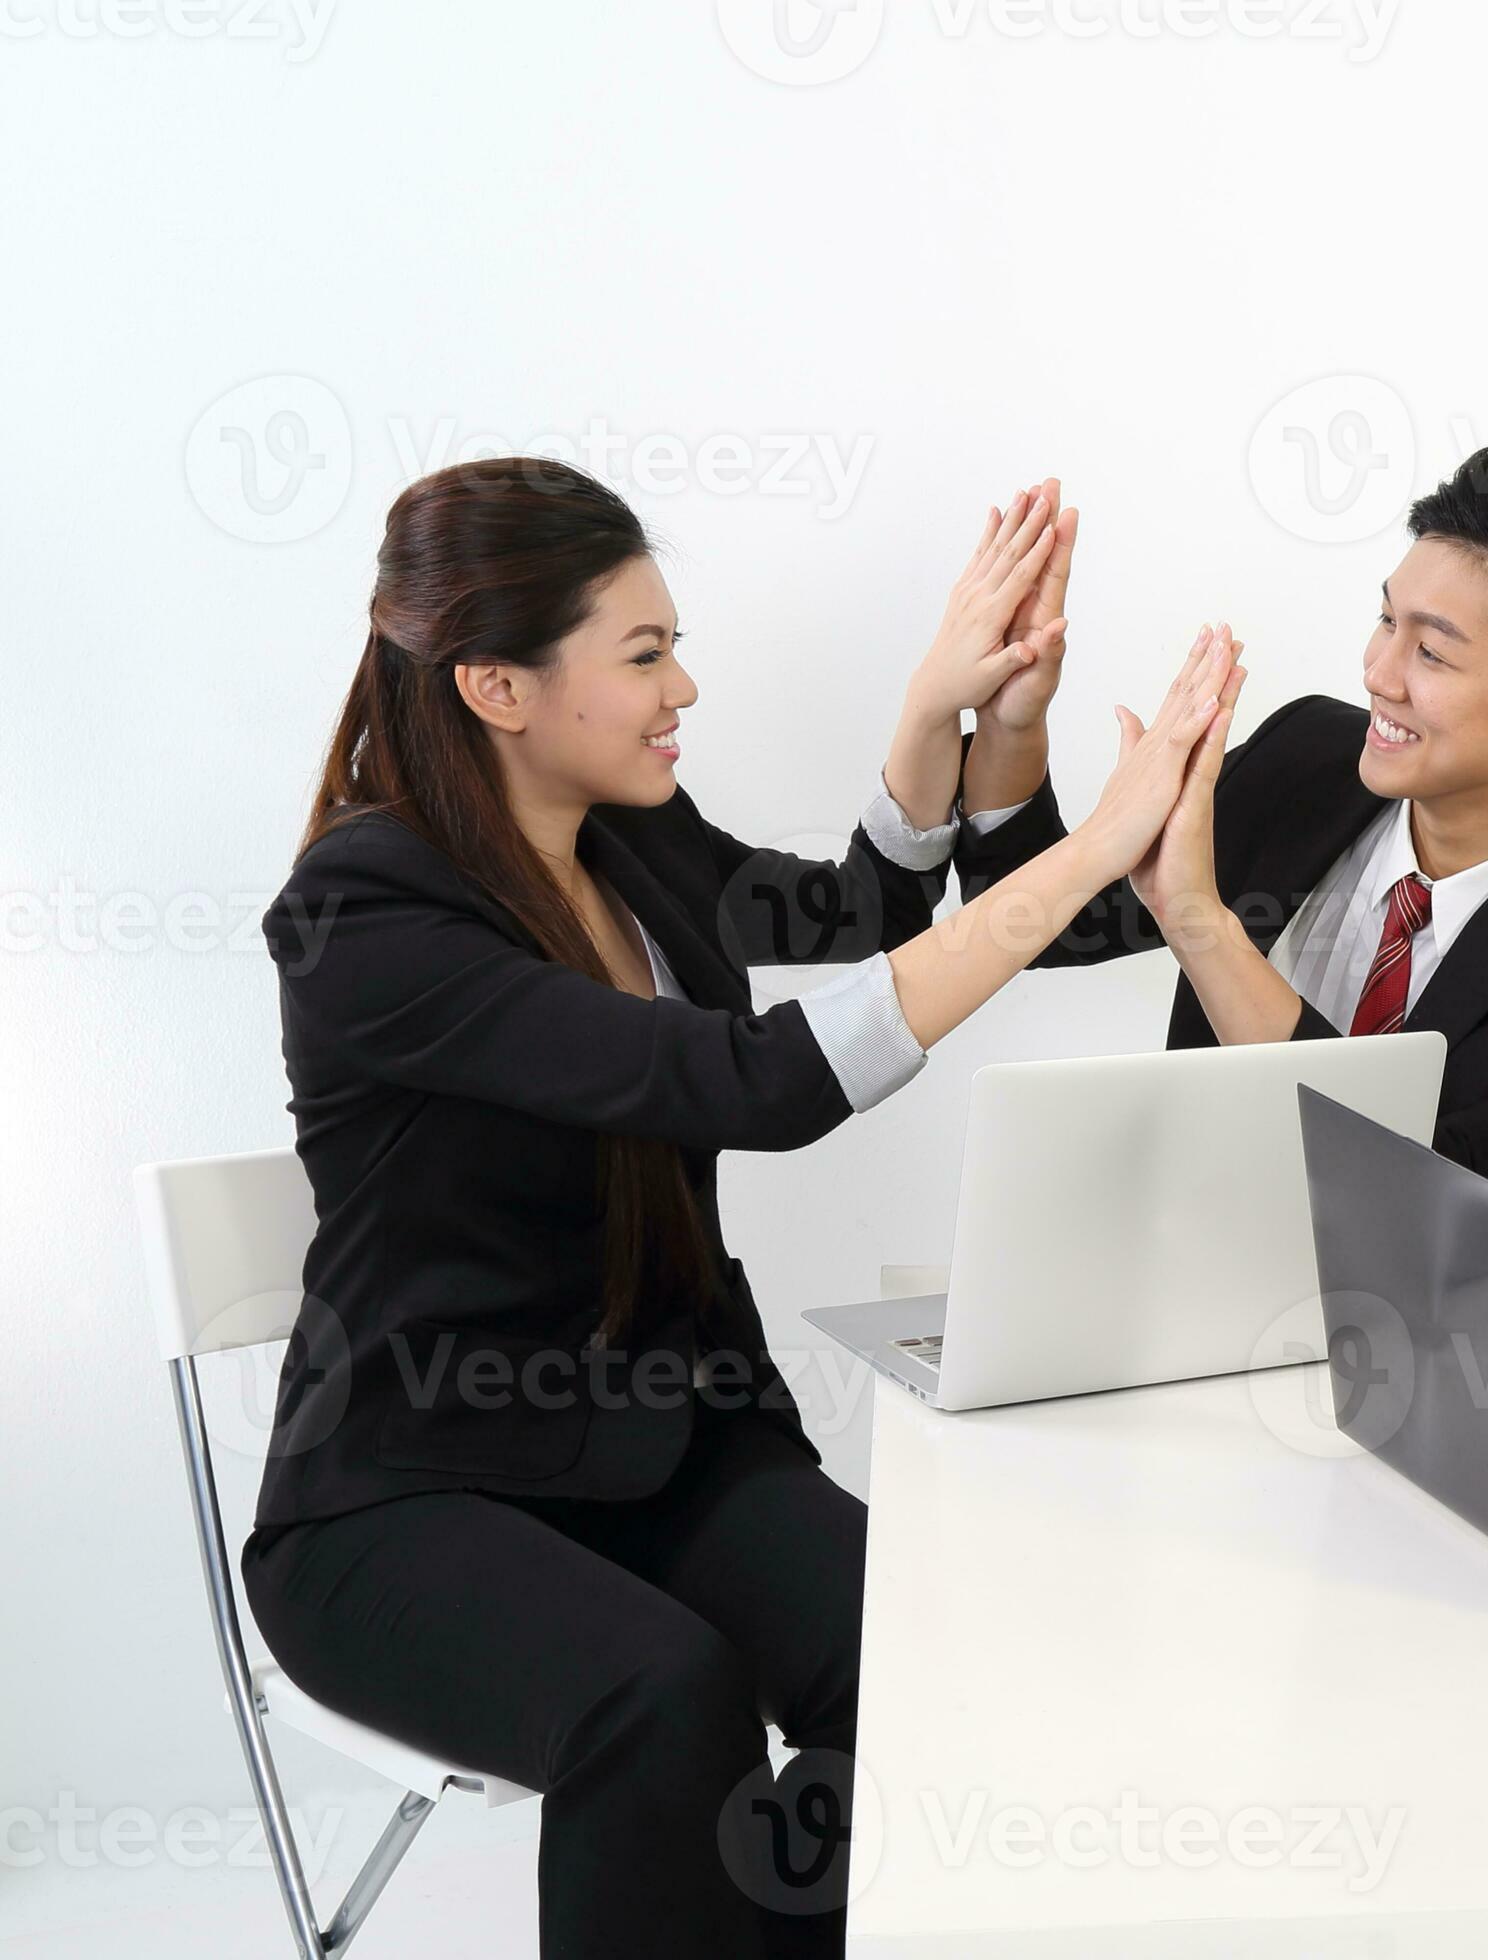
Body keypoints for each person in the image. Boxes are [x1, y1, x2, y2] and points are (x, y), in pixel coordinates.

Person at [239, 460, 1239, 1958]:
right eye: (644, 657)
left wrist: (936, 711)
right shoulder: (368, 914)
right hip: (407, 1499)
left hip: (643, 1448)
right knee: (662, 1695)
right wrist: (1093, 855)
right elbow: (759, 1084)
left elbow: (846, 923)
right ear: (498, 686)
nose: (682, 686)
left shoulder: (619, 833)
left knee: (900, 1641)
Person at [950, 442, 1488, 1259]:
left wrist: (1200, 925)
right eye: (1386, 620)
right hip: (1182, 1286)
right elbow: (1029, 925)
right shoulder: (1311, 762)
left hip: (1450, 1350)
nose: (1378, 672)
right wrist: (1014, 717)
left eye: (1432, 652)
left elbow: (1428, 1209)